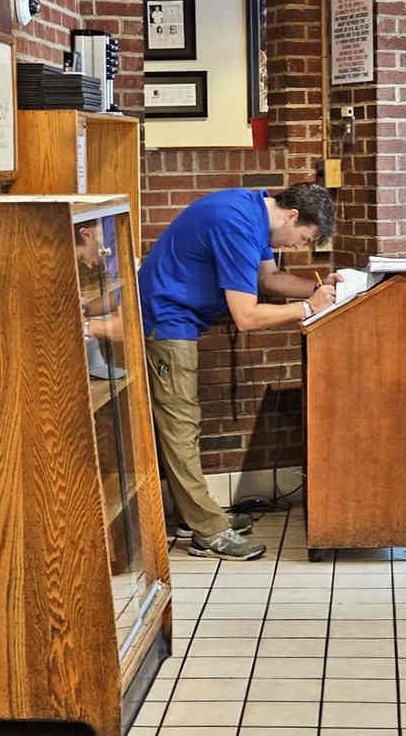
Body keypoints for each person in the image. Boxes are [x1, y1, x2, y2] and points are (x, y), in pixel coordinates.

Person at [138, 183, 340, 561]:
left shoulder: (253, 209)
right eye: (303, 239)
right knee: (180, 424)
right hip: (165, 321)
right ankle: (207, 532)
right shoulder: (237, 224)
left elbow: (269, 280)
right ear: (292, 216)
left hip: (177, 316)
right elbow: (246, 317)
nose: (298, 248)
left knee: (183, 423)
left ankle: (191, 517)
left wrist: (318, 289)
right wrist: (308, 309)